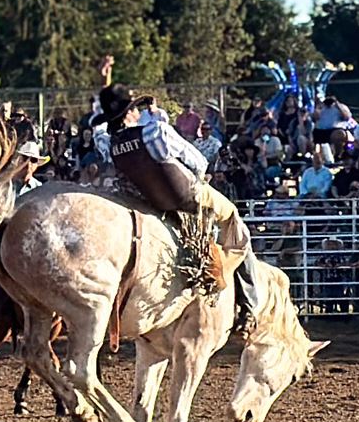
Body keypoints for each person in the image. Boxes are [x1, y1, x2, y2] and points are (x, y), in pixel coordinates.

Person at [94, 80, 256, 301]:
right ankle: (244, 299)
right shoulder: (155, 131)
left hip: (150, 201)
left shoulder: (109, 143)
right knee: (233, 220)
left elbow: (99, 133)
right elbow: (198, 162)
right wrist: (157, 115)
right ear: (130, 111)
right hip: (186, 196)